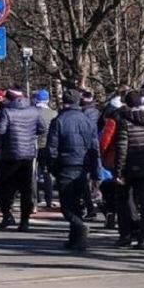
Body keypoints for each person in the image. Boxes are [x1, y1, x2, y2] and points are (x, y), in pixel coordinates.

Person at [46, 88, 98, 250]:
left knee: (67, 204)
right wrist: (95, 168)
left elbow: (52, 148)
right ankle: (76, 238)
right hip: (83, 165)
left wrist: (52, 166)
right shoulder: (87, 120)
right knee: (76, 202)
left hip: (66, 164)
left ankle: (79, 227)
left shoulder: (59, 120)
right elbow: (94, 146)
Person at [0, 88, 45, 230]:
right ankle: (25, 221)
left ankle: (7, 215)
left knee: (2, 186)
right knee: (26, 189)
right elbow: (42, 128)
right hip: (28, 154)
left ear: (9, 99)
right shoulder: (34, 111)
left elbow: (0, 130)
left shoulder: (7, 112)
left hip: (10, 154)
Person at [112, 90, 144, 249]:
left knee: (124, 201)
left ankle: (126, 235)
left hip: (129, 166)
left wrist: (118, 170)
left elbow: (122, 147)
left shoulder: (124, 121)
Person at [33, 90, 57, 209]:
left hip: (34, 145)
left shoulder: (32, 112)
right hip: (48, 146)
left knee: (34, 172)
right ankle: (49, 199)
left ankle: (35, 197)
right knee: (47, 173)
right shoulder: (54, 114)